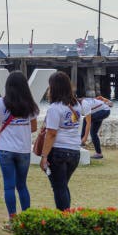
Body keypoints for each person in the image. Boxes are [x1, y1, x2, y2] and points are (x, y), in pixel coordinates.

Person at [0, 71, 39, 229]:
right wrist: (20, 129)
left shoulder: (0, 103)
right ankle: (27, 219)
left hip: (5, 149)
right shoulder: (30, 105)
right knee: (22, 185)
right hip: (23, 150)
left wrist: (1, 130)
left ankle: (12, 220)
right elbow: (34, 127)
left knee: (9, 186)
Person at [39, 71, 92, 210]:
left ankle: (64, 218)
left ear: (54, 88)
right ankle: (66, 214)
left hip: (58, 152)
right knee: (62, 186)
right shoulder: (76, 106)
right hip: (74, 152)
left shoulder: (55, 108)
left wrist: (44, 156)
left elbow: (51, 134)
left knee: (59, 187)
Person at [80, 92, 113, 159]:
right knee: (93, 133)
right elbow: (111, 104)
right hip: (102, 111)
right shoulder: (86, 101)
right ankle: (99, 153)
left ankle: (82, 141)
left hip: (104, 111)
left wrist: (85, 138)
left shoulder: (85, 104)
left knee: (85, 121)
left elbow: (88, 123)